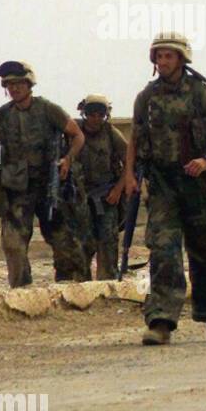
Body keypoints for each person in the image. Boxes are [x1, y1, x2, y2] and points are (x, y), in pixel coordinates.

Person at [120, 33, 206, 345]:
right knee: (163, 250)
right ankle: (161, 320)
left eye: (168, 56)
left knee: (204, 251)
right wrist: (129, 175)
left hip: (198, 184)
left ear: (181, 58)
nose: (162, 61)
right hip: (162, 184)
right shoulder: (147, 97)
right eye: (158, 56)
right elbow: (135, 138)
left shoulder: (200, 93)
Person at [0, 61, 89, 287]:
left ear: (29, 84)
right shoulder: (0, 116)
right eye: (9, 84)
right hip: (17, 188)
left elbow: (77, 135)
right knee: (13, 244)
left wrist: (67, 159)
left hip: (49, 186)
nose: (14, 88)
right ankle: (21, 290)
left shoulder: (47, 109)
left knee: (63, 240)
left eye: (18, 83)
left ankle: (72, 288)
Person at [74, 94, 129, 280]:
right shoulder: (74, 132)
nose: (95, 118)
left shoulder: (112, 134)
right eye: (91, 113)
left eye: (100, 114)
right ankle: (81, 286)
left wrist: (118, 189)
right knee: (81, 244)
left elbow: (130, 162)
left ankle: (108, 285)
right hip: (79, 198)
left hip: (106, 197)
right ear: (84, 113)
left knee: (107, 243)